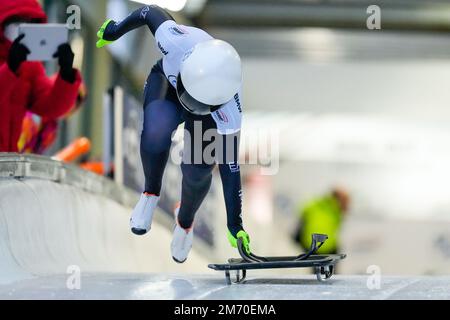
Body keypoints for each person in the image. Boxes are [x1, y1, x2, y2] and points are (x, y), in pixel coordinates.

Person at [96, 5, 250, 263]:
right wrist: (115, 30)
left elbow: (230, 169)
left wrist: (236, 225)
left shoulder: (229, 112)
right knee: (156, 129)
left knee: (197, 171)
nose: (191, 106)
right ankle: (150, 193)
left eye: (198, 102)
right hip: (169, 83)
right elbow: (147, 12)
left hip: (207, 117)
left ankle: (185, 222)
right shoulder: (173, 40)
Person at [0, 0, 82, 153]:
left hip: (8, 164)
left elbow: (51, 106)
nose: (22, 27)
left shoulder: (30, 65)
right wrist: (9, 69)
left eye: (29, 22)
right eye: (16, 21)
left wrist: (66, 74)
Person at [293, 187, 350, 254]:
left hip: (309, 247)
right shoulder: (336, 210)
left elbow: (301, 214)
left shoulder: (313, 204)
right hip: (327, 249)